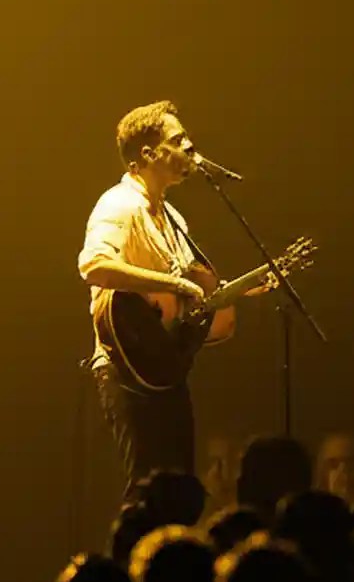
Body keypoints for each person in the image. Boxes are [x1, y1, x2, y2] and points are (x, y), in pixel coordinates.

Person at [79, 101, 239, 498]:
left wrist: (222, 294)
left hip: (164, 363)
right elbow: (94, 265)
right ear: (148, 154)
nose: (189, 148)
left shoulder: (174, 219)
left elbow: (183, 297)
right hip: (126, 365)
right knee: (147, 489)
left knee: (180, 488)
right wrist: (177, 286)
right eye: (178, 140)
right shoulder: (118, 203)